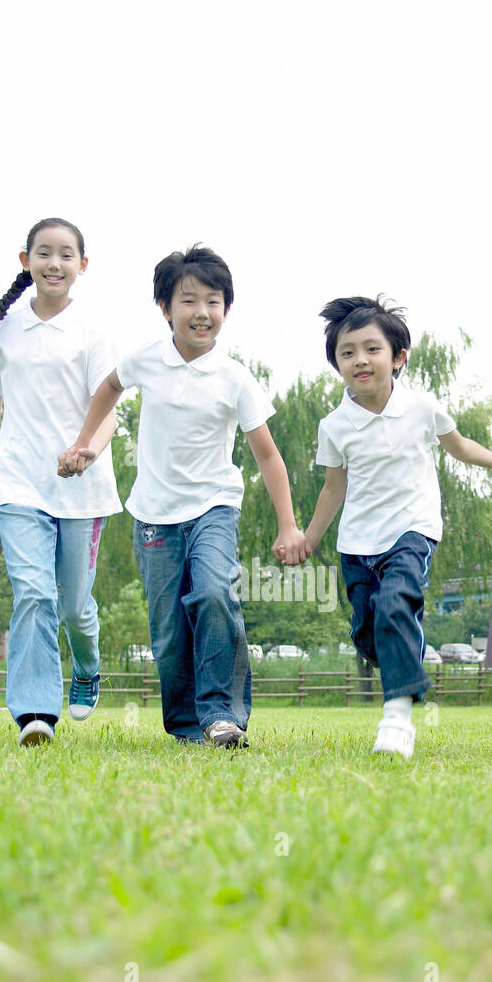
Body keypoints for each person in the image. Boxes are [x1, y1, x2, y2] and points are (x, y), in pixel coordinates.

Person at [60, 245, 307, 748]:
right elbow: (108, 389)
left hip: (214, 506)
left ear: (226, 310)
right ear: (165, 308)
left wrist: (288, 525)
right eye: (188, 300)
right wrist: (86, 442)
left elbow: (268, 457)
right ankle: (187, 728)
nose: (201, 313)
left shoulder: (236, 377)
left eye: (213, 302)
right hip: (153, 513)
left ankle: (223, 716)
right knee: (169, 626)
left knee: (215, 594)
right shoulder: (146, 359)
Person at [300, 296, 492, 760]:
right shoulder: (334, 425)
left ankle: (397, 717)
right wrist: (309, 540)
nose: (360, 360)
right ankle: (402, 649)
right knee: (368, 633)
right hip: (356, 542)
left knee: (395, 607)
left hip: (412, 530)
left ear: (398, 357)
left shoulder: (421, 407)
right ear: (336, 364)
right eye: (347, 352)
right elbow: (334, 487)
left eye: (372, 348)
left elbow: (462, 448)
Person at [0, 217, 120, 748]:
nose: (55, 263)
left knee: (73, 605)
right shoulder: (8, 329)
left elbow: (110, 407)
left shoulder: (93, 332)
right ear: (25, 261)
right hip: (20, 483)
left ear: (82, 266)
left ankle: (88, 667)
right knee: (33, 593)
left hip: (81, 489)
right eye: (44, 253)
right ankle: (34, 714)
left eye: (66, 254)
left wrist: (88, 449)